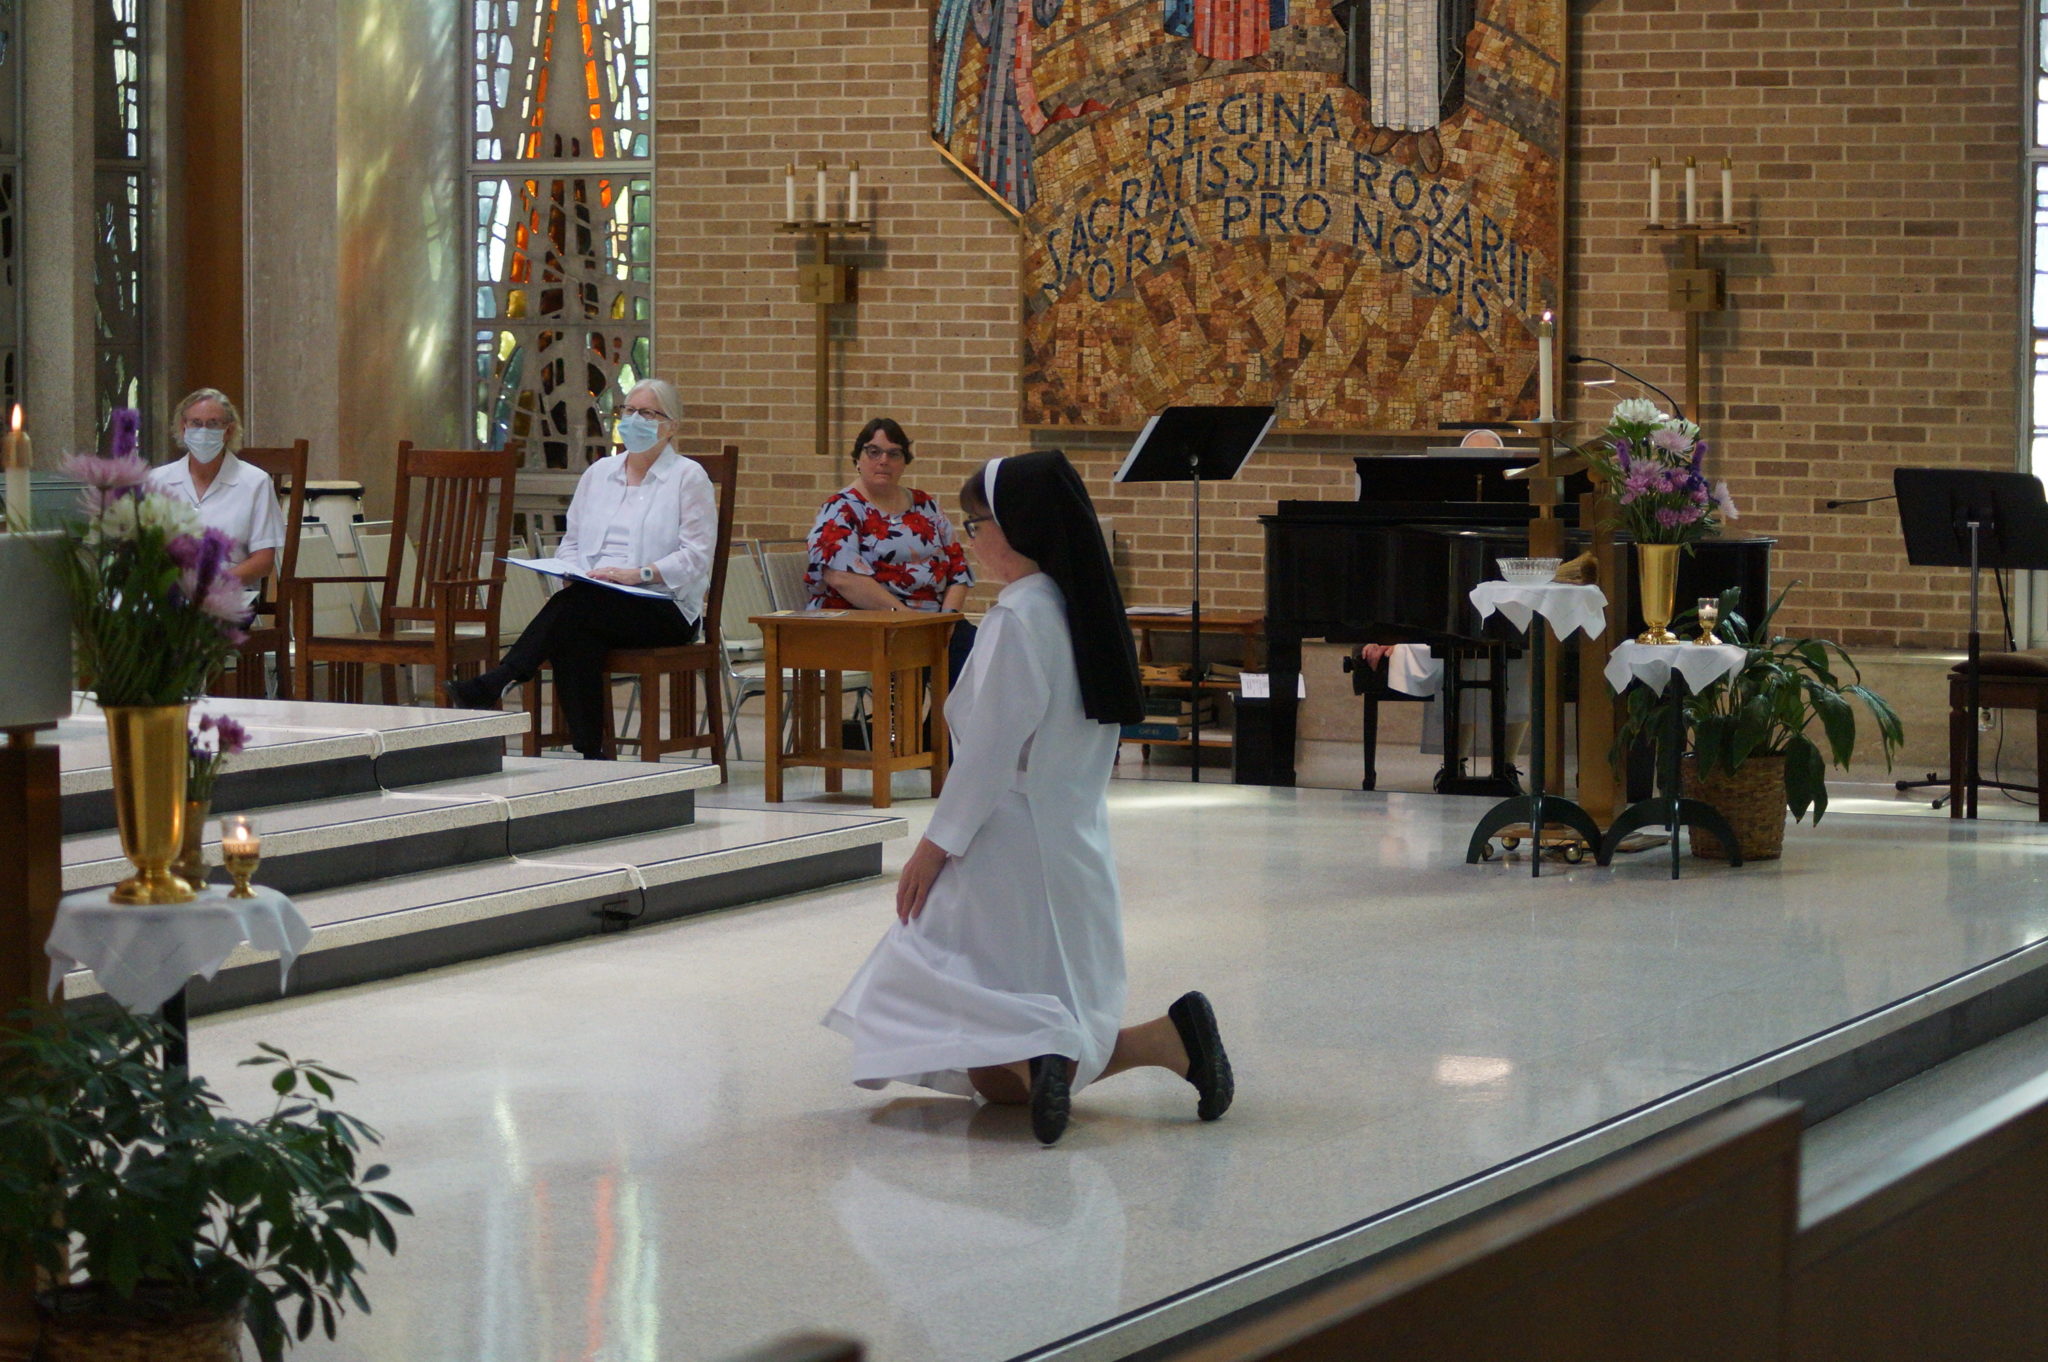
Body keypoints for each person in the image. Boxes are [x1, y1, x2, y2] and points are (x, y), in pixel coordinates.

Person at [824, 450, 1234, 1145]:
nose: (967, 538)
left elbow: (988, 754)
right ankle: (1170, 1040)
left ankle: (1041, 1050)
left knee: (920, 990)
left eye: (975, 523)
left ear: (1016, 528)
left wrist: (933, 846)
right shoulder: (1079, 612)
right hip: (1071, 840)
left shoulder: (1020, 617)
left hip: (1004, 845)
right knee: (999, 1084)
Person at [446, 379, 716, 759]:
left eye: (648, 413)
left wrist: (639, 574)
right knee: (576, 631)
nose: (635, 419)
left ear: (671, 425)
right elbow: (572, 542)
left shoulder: (688, 477)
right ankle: (593, 753)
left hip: (662, 605)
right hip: (596, 599)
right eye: (628, 410)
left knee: (576, 609)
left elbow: (697, 555)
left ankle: (500, 679)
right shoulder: (599, 474)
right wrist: (571, 570)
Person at [806, 417, 978, 679]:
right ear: (857, 459)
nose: (883, 460)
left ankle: (940, 722)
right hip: (870, 623)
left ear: (904, 462)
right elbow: (841, 576)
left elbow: (958, 566)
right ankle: (905, 720)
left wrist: (948, 619)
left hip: (932, 623)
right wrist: (907, 619)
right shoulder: (841, 508)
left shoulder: (926, 505)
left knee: (981, 652)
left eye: (894, 453)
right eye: (873, 452)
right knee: (915, 654)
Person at [144, 389, 286, 592]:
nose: (203, 431)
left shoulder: (256, 482)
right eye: (196, 423)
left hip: (228, 596)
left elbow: (263, 562)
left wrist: (211, 585)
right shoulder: (156, 481)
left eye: (213, 424)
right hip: (168, 597)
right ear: (183, 428)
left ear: (228, 431)